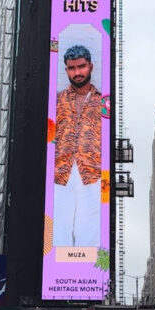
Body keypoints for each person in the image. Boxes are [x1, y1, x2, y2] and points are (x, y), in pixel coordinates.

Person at [53, 44, 103, 248]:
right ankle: (57, 274)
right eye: (72, 68)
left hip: (93, 172)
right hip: (61, 172)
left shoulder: (103, 102)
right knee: (59, 228)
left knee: (90, 228)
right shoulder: (56, 101)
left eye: (81, 66)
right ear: (66, 70)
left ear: (91, 66)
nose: (77, 72)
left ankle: (88, 275)